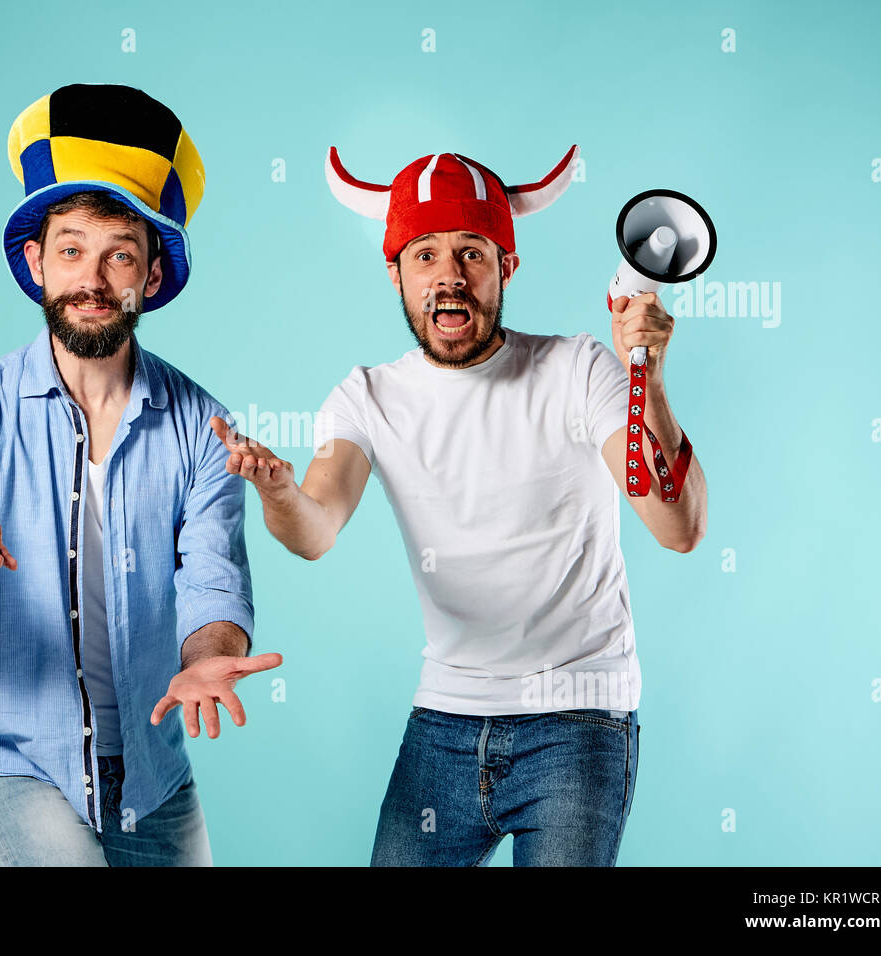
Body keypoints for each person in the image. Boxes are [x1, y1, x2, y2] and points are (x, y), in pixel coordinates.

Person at [210, 145, 706, 866]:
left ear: (506, 266)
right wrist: (280, 491)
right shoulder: (368, 396)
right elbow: (314, 531)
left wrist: (649, 382)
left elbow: (679, 527)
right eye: (426, 255)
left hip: (579, 717)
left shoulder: (577, 370)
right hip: (446, 719)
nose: (449, 275)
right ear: (396, 273)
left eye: (472, 253)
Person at [0, 83, 280, 867]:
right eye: (71, 249)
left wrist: (207, 658)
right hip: (9, 757)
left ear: (152, 278)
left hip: (151, 773)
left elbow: (213, 585)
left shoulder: (202, 428)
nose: (92, 279)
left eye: (119, 255)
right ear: (36, 264)